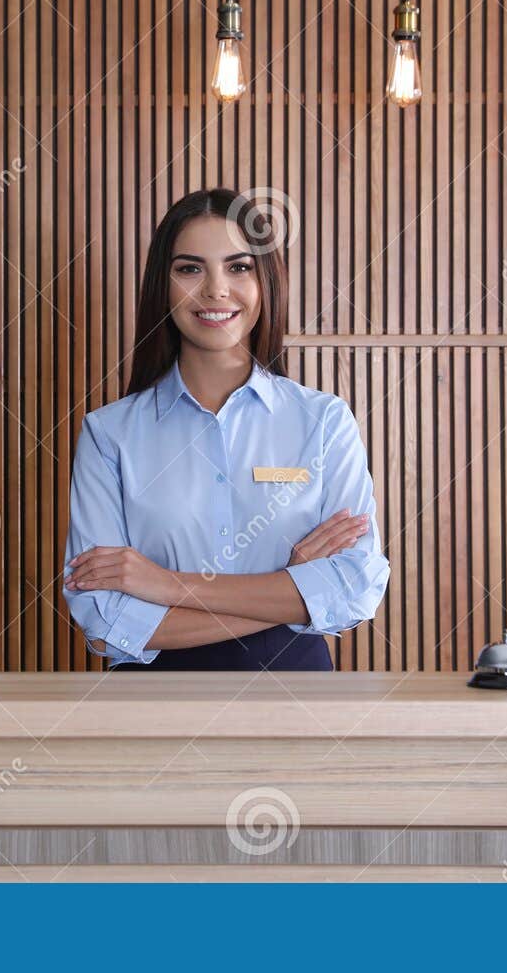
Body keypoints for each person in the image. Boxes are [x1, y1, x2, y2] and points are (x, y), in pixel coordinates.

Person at [61, 188, 389, 670]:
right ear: (163, 285)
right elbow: (106, 620)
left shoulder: (323, 422)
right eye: (190, 268)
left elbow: (354, 587)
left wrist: (166, 585)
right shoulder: (108, 435)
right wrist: (290, 586)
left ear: (266, 281)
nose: (215, 290)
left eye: (239, 267)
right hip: (149, 707)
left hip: (298, 699)